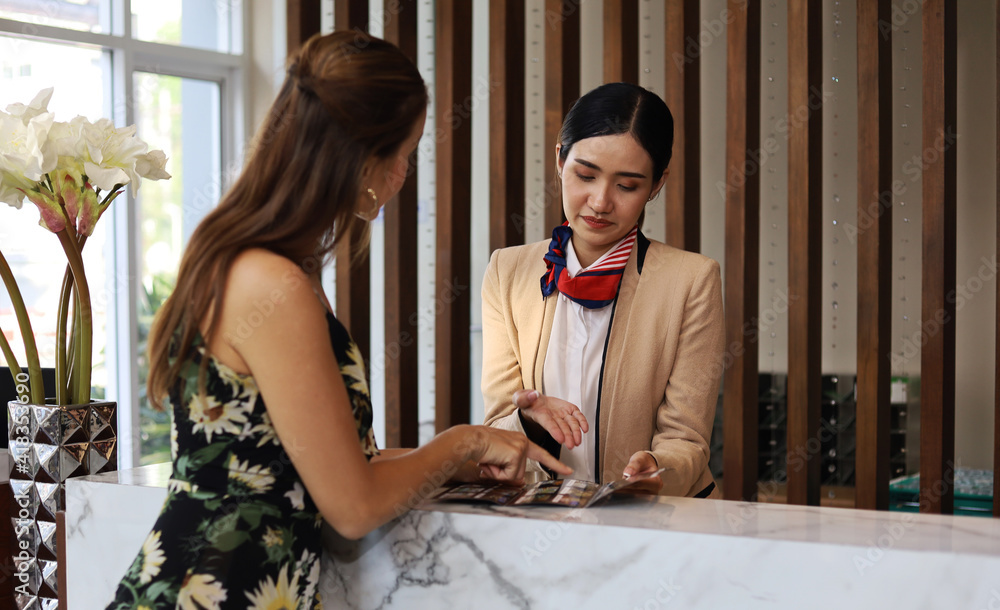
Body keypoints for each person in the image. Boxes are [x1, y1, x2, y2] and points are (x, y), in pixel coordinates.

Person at [107, 31, 568, 610]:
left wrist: (476, 453)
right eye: (404, 152)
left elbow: (309, 462)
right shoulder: (270, 282)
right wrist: (462, 442)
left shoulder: (266, 268)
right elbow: (352, 505)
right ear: (357, 155)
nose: (404, 174)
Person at [482, 82, 724, 498]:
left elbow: (686, 438)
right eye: (585, 175)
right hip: (538, 515)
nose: (599, 201)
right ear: (559, 159)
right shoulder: (509, 270)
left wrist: (659, 469)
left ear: (657, 183)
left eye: (626, 186)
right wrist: (528, 420)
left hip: (655, 522)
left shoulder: (691, 281)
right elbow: (498, 422)